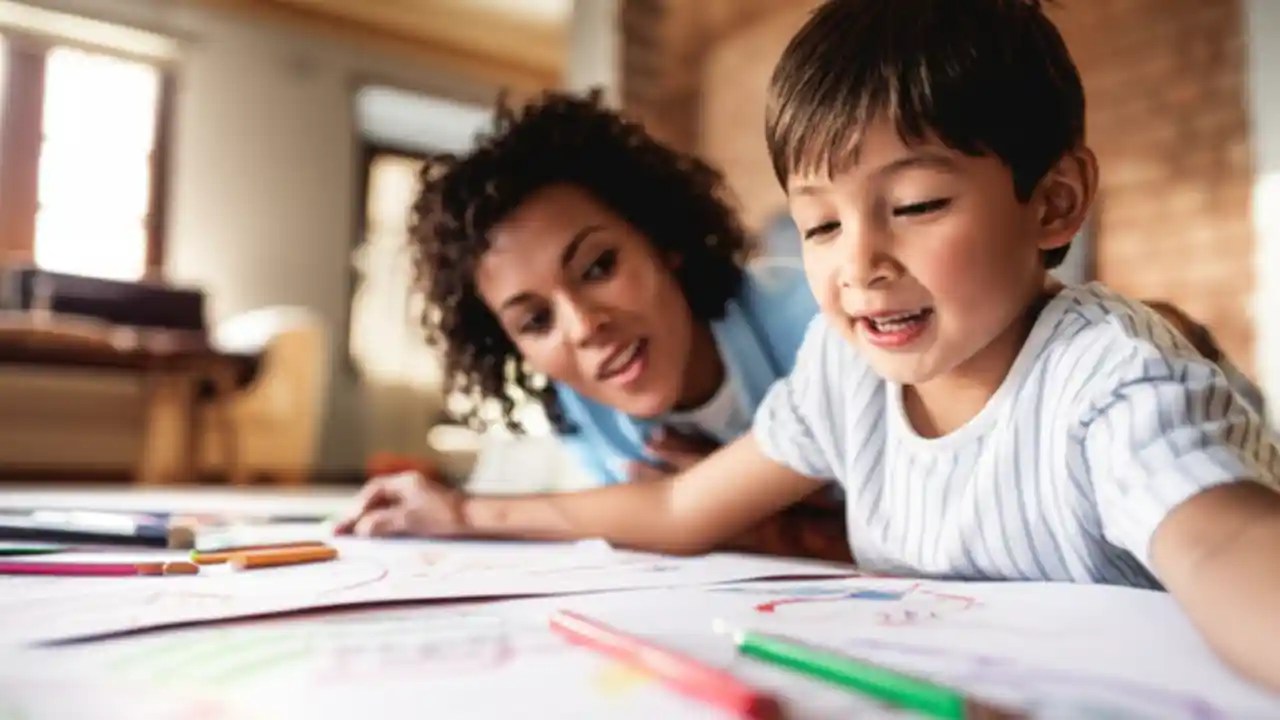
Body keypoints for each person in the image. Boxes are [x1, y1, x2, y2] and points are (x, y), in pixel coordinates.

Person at [338, 0, 1280, 688]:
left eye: (915, 206)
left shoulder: (1108, 383)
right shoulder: (848, 374)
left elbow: (1222, 545)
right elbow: (676, 508)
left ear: (1056, 202)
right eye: (820, 226)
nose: (860, 265)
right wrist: (460, 515)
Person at [340, 90, 848, 561]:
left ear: (662, 238)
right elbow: (668, 520)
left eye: (599, 267)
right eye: (536, 320)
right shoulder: (585, 406)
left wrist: (766, 526)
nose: (583, 327)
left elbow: (914, 534)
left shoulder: (822, 320)